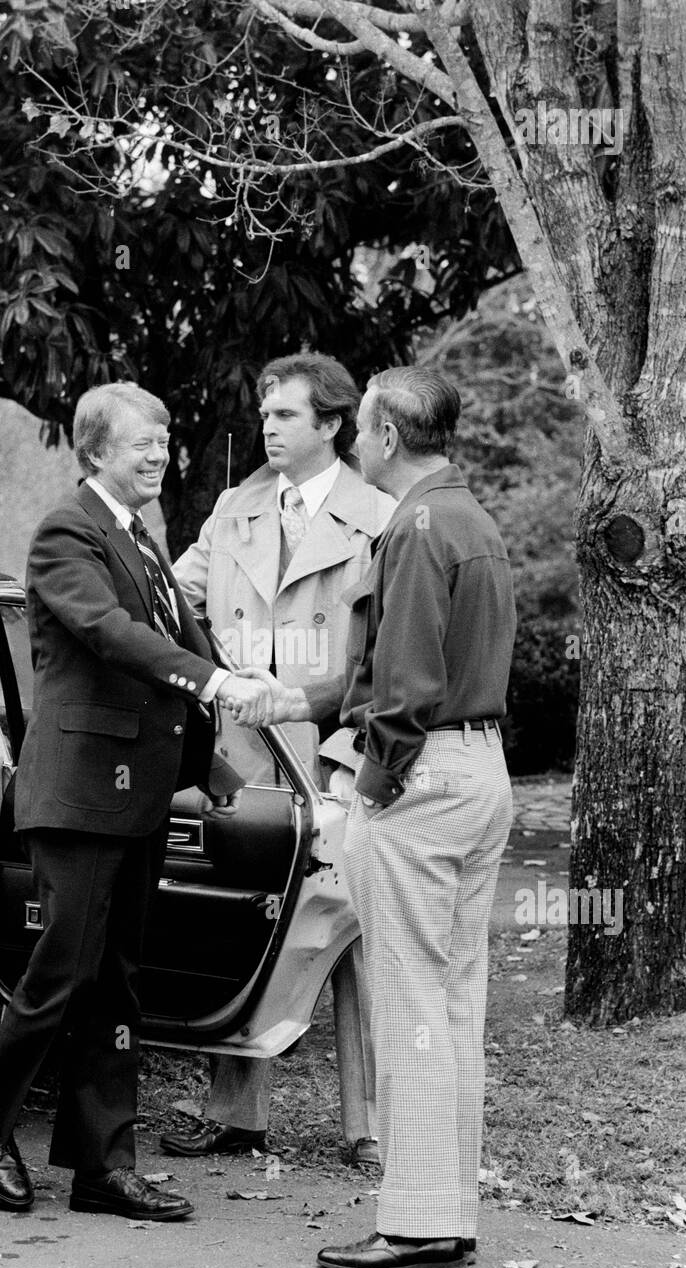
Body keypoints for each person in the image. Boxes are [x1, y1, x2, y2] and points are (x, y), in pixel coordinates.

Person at [0, 382, 273, 1222]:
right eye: (145, 440)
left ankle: (102, 1167)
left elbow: (180, 640)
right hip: (76, 793)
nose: (161, 451)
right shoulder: (69, 531)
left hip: (134, 795)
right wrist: (212, 677)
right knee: (61, 973)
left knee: (115, 986)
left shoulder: (140, 537)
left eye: (167, 436)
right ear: (96, 450)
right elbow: (109, 634)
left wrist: (226, 747)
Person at [236, 368, 517, 1268]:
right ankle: (446, 1212)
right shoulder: (469, 519)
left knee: (407, 1007)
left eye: (358, 429)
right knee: (450, 1002)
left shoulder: (414, 527)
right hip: (481, 773)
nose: (355, 444)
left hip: (419, 780)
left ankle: (418, 1225)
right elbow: (396, 674)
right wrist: (301, 697)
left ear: (389, 435)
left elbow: (401, 692)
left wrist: (369, 790)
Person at [159, 353, 395, 1160]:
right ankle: (236, 1114)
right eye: (264, 413)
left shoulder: (385, 514)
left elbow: (385, 662)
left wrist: (346, 757)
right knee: (247, 923)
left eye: (287, 415)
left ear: (332, 424)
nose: (269, 426)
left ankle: (367, 1127)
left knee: (352, 939)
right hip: (246, 767)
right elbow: (170, 599)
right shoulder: (235, 507)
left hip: (335, 759)